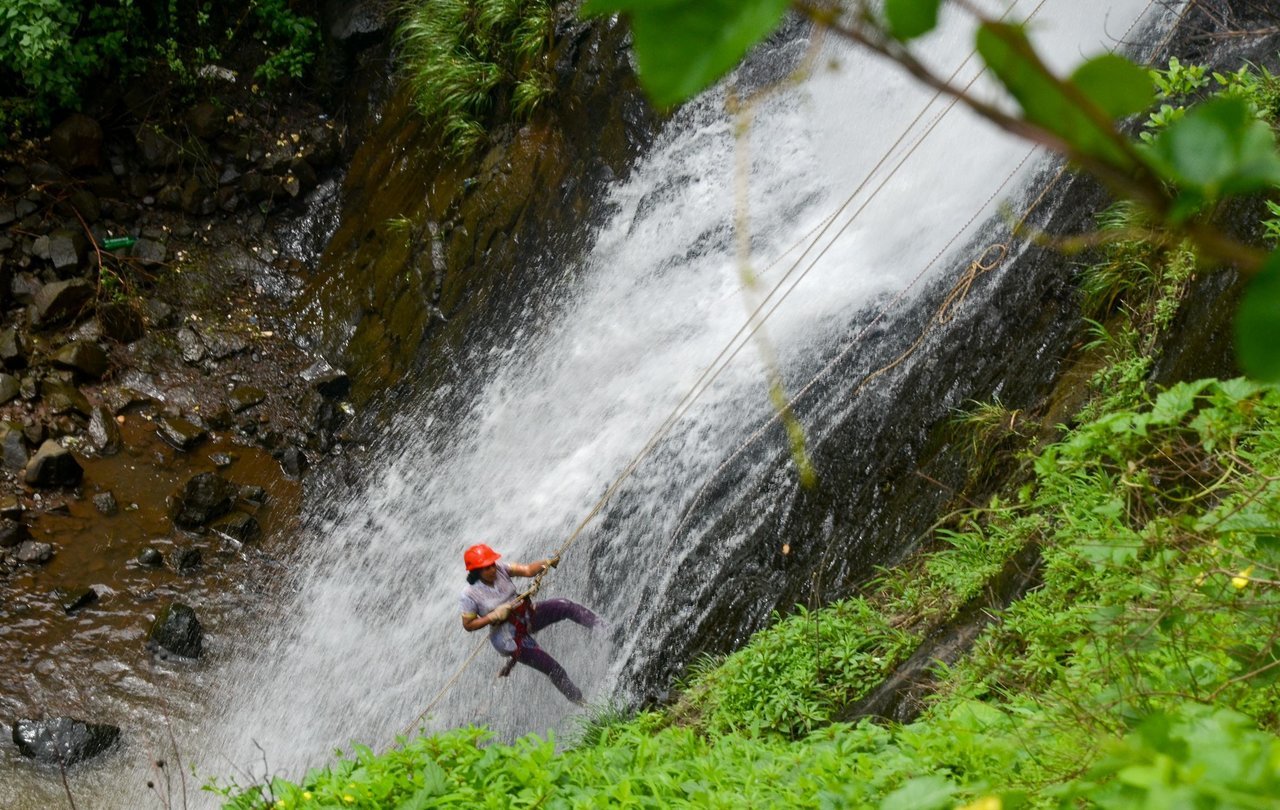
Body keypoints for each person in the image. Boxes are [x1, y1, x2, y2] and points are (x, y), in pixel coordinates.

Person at [458, 543, 602, 704]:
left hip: (526, 615)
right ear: (476, 571)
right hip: (509, 638)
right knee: (552, 668)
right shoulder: (469, 594)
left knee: (566, 606)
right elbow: (468, 625)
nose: (492, 569)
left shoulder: (500, 569)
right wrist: (493, 616)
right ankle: (583, 704)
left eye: (491, 565)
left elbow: (527, 570)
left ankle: (604, 629)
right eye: (486, 568)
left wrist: (545, 563)